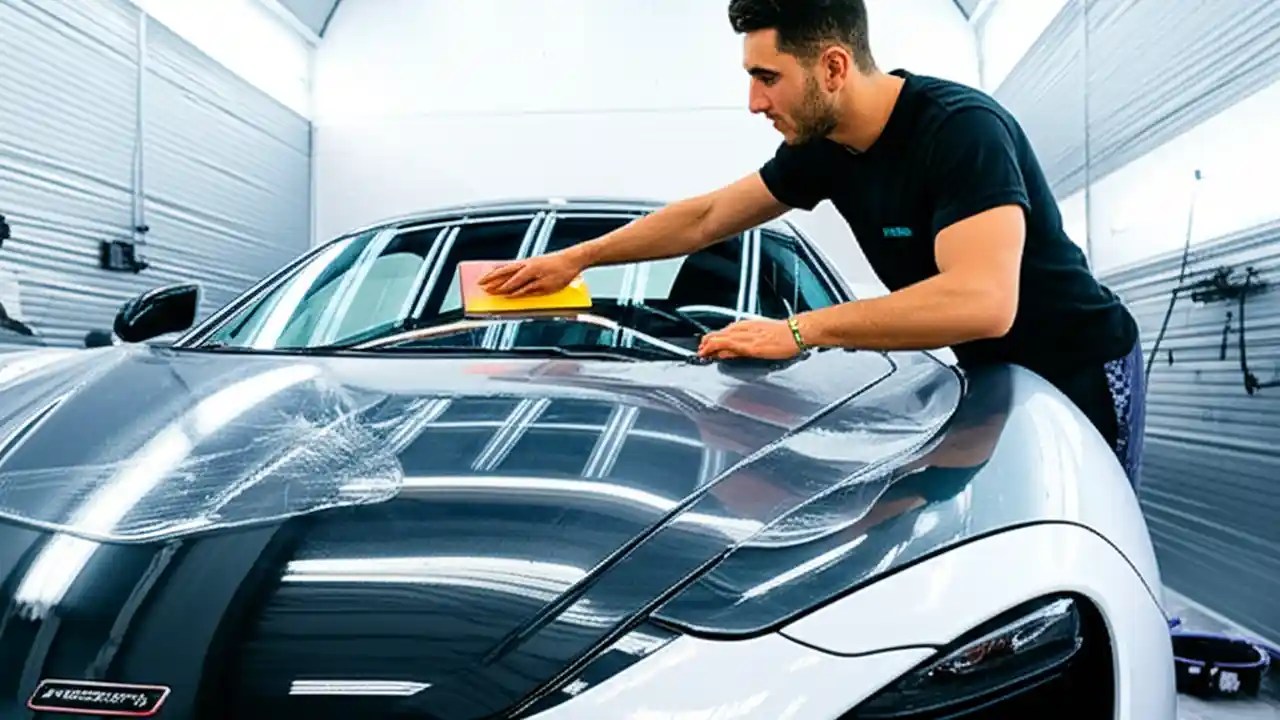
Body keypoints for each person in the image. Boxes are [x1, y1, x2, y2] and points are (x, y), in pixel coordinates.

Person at [478, 0, 1146, 489]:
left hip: (1079, 365)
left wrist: (798, 331)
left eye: (767, 76)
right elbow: (708, 216)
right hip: (988, 369)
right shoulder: (824, 151)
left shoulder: (961, 132)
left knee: (1082, 523)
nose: (753, 101)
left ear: (832, 66)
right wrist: (575, 258)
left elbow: (980, 301)